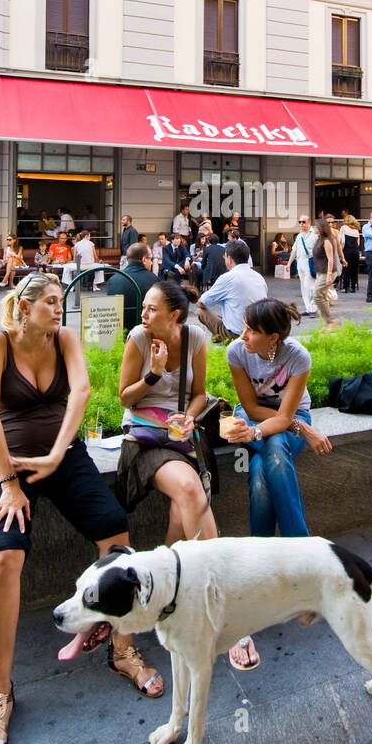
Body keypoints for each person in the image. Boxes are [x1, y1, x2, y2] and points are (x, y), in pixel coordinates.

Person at [0, 274, 163, 744]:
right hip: (9, 465)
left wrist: (59, 453)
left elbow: (80, 392)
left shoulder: (65, 338)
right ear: (26, 306)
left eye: (62, 302)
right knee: (5, 557)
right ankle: (0, 696)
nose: (59, 310)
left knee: (116, 532)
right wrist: (11, 485)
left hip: (63, 458)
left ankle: (122, 648)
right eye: (52, 303)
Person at [223, 298, 333, 670]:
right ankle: (306, 564)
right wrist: (257, 429)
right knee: (269, 454)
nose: (244, 335)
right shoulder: (237, 352)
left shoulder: (297, 357)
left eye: (252, 330)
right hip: (255, 419)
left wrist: (296, 427)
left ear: (273, 337)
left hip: (291, 423)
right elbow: (252, 408)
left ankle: (259, 564)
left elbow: (288, 416)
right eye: (244, 327)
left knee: (263, 467)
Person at [117, 278, 218, 543]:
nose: (143, 315)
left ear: (174, 315)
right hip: (145, 437)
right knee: (188, 487)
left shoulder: (194, 337)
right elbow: (124, 399)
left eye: (151, 309)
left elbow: (198, 394)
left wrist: (189, 417)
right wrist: (154, 374)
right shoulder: (138, 338)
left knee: (180, 510)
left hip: (182, 434)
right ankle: (216, 572)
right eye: (144, 308)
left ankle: (172, 577)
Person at [197, 239, 268, 341]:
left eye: (224, 257)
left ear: (229, 259)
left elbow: (202, 302)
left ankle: (222, 338)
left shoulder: (228, 277)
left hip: (237, 334)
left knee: (200, 311)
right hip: (259, 331)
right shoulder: (259, 277)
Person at [107, 243, 160, 331]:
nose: (151, 262)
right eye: (150, 258)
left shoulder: (113, 279)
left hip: (118, 332)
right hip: (143, 332)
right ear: (144, 260)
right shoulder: (154, 280)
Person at [311, 217, 339, 330]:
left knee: (317, 295)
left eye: (316, 226)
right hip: (320, 271)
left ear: (321, 228)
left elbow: (331, 259)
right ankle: (328, 324)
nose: (314, 228)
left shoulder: (327, 241)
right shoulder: (319, 239)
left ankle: (330, 321)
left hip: (327, 272)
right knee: (322, 296)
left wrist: (328, 275)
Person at [291, 214, 318, 316]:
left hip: (310, 263)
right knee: (304, 287)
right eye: (300, 222)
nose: (301, 224)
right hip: (300, 263)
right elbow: (294, 250)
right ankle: (308, 308)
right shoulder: (299, 236)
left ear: (309, 222)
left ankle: (313, 309)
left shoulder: (314, 234)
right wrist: (289, 264)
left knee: (310, 286)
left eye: (303, 222)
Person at [339, 216, 361, 292]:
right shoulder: (356, 230)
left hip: (347, 250)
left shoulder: (343, 228)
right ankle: (353, 287)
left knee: (346, 269)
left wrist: (340, 250)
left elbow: (341, 240)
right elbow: (358, 243)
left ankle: (346, 287)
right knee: (354, 269)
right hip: (355, 251)